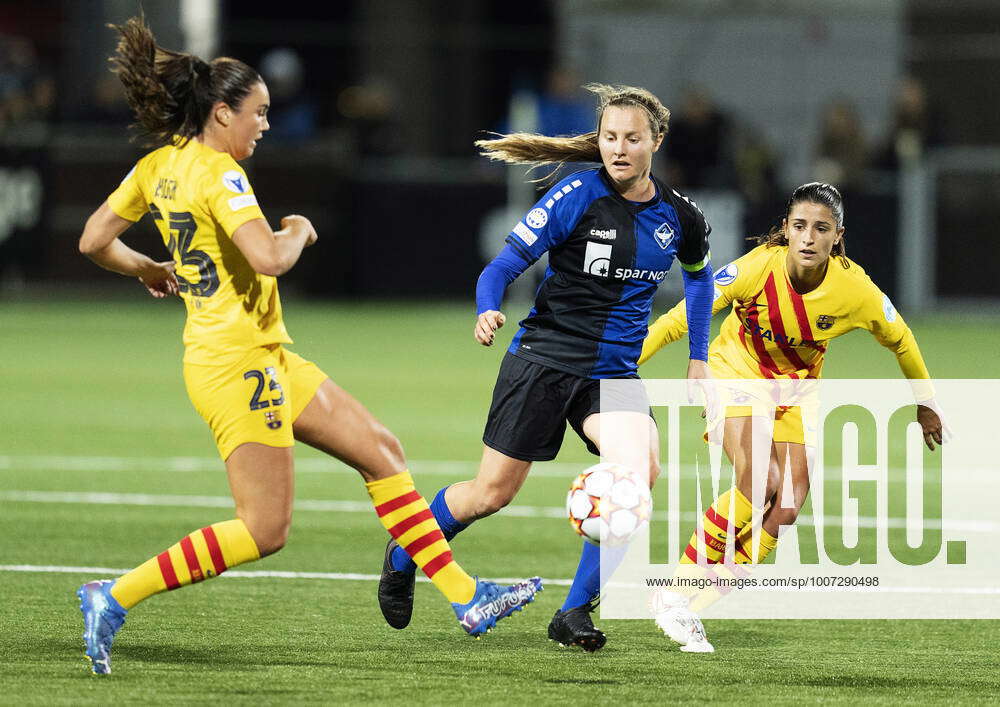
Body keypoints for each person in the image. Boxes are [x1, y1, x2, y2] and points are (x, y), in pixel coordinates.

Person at [74, 15, 540, 675]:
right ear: (221, 112)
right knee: (264, 530)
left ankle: (468, 596)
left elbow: (93, 240)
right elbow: (267, 257)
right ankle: (111, 595)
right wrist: (300, 229)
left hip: (259, 353)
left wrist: (146, 266)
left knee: (381, 452)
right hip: (236, 364)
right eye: (257, 113)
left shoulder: (160, 166)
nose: (265, 124)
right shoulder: (222, 175)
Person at [377, 83, 716, 652]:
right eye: (610, 137)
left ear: (657, 141)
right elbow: (503, 264)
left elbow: (702, 278)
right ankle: (403, 548)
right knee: (490, 494)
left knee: (638, 476)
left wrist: (699, 358)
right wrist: (489, 308)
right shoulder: (576, 195)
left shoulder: (680, 217)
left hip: (612, 375)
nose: (619, 148)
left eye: (633, 138)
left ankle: (575, 612)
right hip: (544, 360)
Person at [640, 182, 945, 647]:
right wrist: (621, 365)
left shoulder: (855, 289)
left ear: (837, 237)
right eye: (799, 226)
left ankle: (690, 607)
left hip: (797, 391)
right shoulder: (756, 268)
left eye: (820, 229)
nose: (808, 237)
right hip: (736, 372)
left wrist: (926, 404)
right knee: (759, 480)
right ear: (785, 229)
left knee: (787, 503)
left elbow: (902, 339)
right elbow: (682, 315)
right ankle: (676, 591)